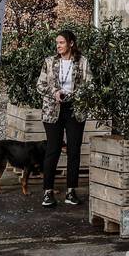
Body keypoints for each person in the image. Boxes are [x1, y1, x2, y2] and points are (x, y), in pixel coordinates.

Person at [36, 30, 91, 208]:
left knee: (74, 150)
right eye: (57, 43)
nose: (58, 46)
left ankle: (71, 191)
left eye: (61, 42)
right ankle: (47, 192)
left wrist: (76, 94)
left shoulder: (82, 62)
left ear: (71, 43)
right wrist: (54, 92)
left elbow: (90, 84)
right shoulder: (49, 62)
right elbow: (40, 85)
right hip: (53, 110)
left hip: (75, 110)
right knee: (53, 149)